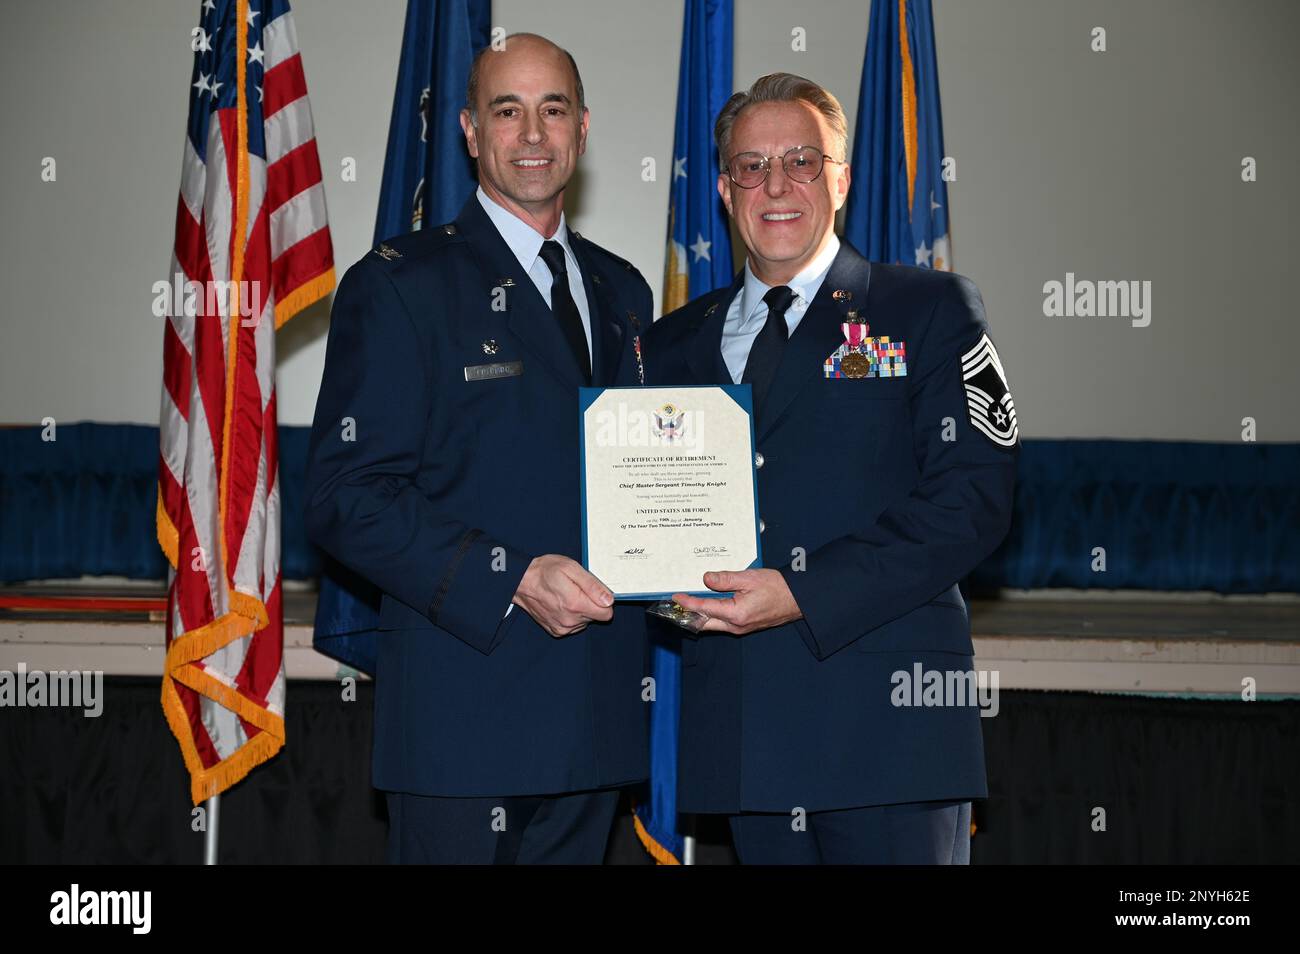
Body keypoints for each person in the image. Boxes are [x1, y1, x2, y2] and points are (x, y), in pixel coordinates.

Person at [641, 72, 1018, 864]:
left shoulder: (931, 309)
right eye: (751, 165)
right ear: (724, 187)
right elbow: (649, 521)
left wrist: (802, 593)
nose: (775, 185)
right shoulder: (670, 344)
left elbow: (973, 501)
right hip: (743, 740)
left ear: (841, 180)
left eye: (802, 162)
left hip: (889, 736)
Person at [305, 34, 652, 864]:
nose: (533, 133)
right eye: (507, 111)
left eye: (553, 109)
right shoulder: (400, 284)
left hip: (596, 718)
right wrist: (514, 576)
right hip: (465, 724)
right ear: (468, 131)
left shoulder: (623, 289)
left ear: (583, 127)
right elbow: (345, 495)